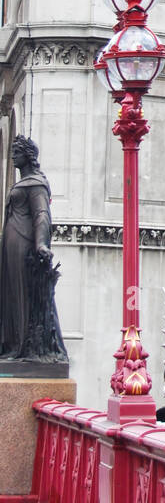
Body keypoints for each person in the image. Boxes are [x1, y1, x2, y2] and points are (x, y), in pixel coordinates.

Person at [0, 135, 66, 362]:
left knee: (23, 294)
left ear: (28, 156)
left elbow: (41, 215)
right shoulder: (23, 183)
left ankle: (23, 347)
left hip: (23, 244)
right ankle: (12, 345)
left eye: (17, 152)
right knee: (11, 294)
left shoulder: (36, 184)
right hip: (10, 245)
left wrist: (40, 243)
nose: (12, 155)